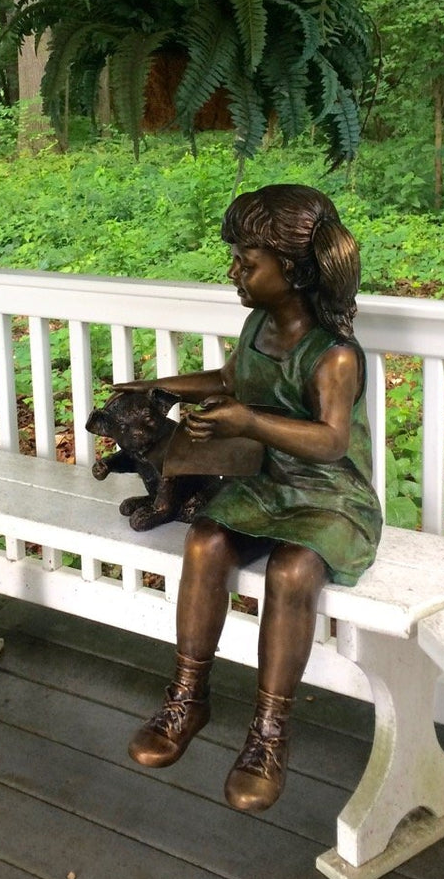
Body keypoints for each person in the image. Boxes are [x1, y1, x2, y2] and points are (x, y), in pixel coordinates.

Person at [114, 183, 382, 812]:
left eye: (246, 261)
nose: (234, 271)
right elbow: (229, 380)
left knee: (291, 571)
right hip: (264, 481)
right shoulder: (258, 324)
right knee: (204, 541)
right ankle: (188, 696)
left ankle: (268, 732)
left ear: (292, 271)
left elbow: (331, 441)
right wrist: (158, 387)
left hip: (329, 496)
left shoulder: (334, 355)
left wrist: (248, 422)